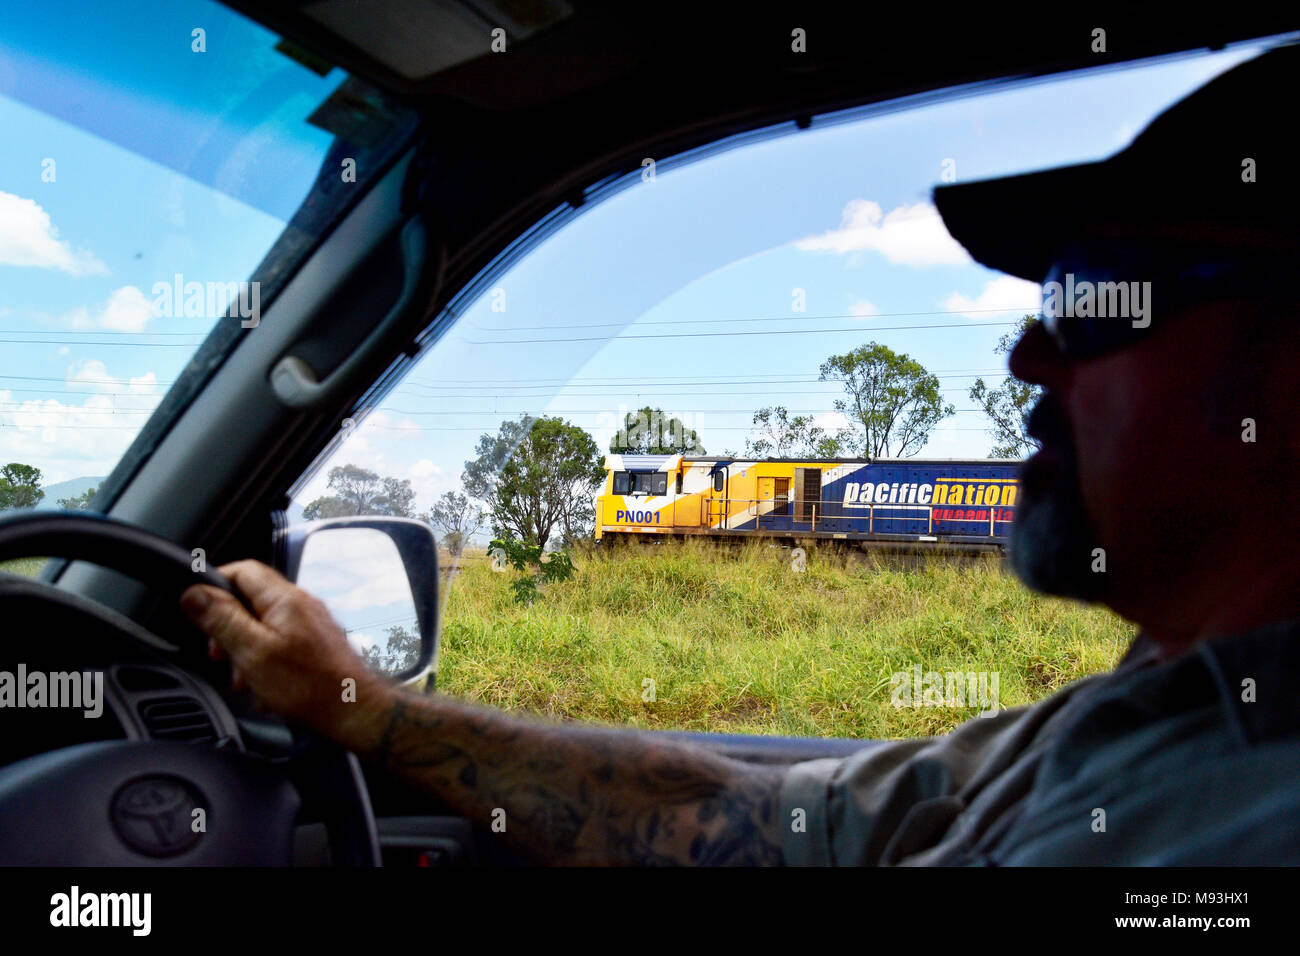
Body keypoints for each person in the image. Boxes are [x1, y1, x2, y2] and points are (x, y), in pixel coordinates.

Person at [180, 44, 1300, 865]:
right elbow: (758, 824)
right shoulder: (1112, 718)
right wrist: (369, 711)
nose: (1022, 357)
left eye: (1090, 297)